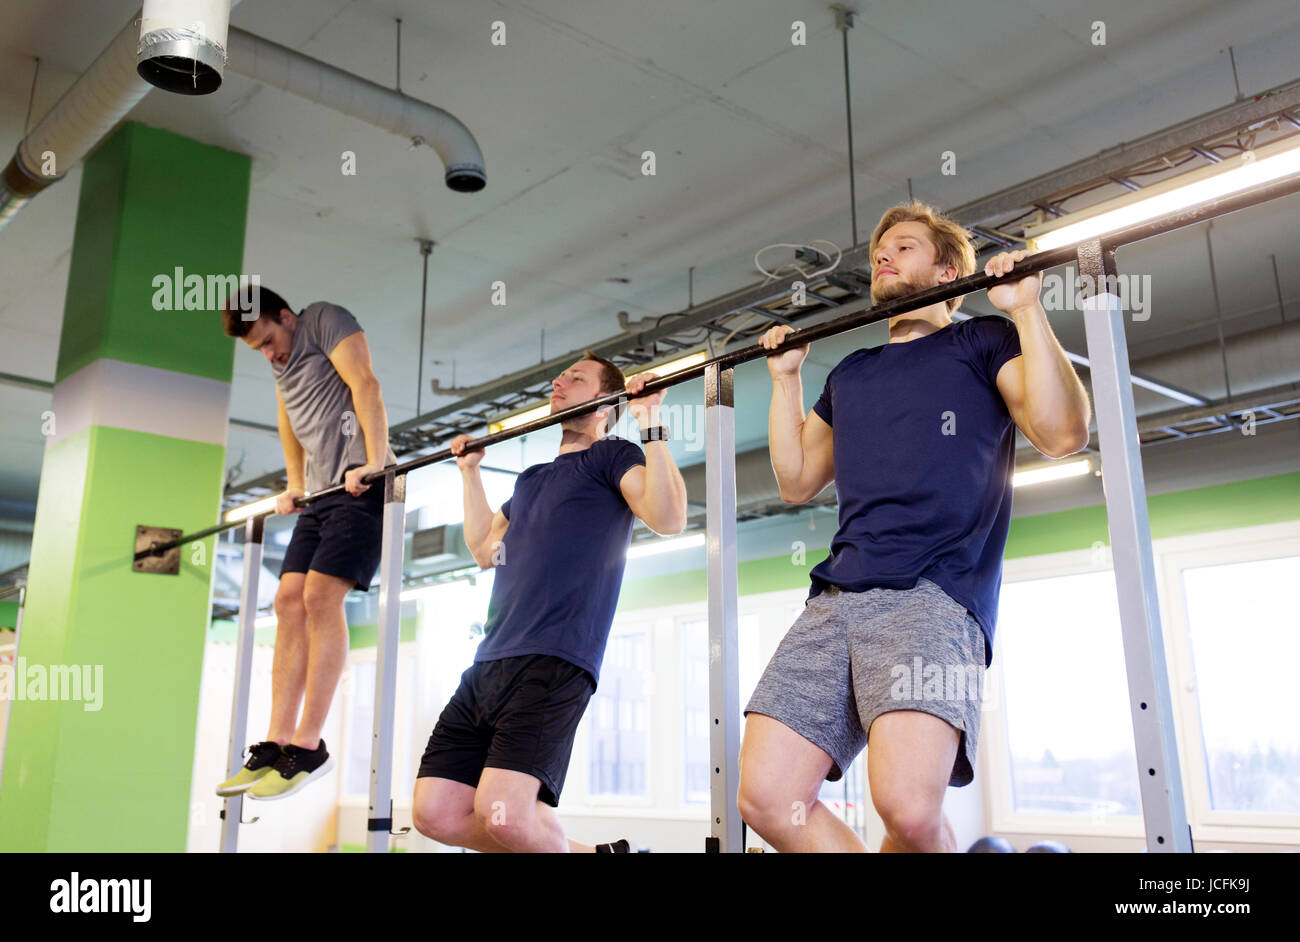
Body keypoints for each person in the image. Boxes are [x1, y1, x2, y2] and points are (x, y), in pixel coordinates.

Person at [737, 202, 1092, 852]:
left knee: (906, 809)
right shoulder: (851, 372)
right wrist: (785, 380)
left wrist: (1024, 310)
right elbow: (796, 481)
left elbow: (1063, 432)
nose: (884, 256)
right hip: (834, 601)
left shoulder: (980, 341)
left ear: (948, 269)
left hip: (933, 593)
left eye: (903, 246)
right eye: (879, 251)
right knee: (765, 795)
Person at [412, 352, 688, 852]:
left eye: (576, 378)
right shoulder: (532, 478)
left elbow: (668, 517)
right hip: (487, 663)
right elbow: (483, 551)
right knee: (434, 813)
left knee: (506, 817)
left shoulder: (611, 457)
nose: (559, 383)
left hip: (554, 658)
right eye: (559, 377)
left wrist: (651, 419)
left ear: (605, 404)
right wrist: (470, 472)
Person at [217, 287, 396, 801]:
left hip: (362, 484)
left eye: (270, 340)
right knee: (287, 600)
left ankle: (308, 744)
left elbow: (366, 384)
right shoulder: (282, 359)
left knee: (320, 596)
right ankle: (277, 742)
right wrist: (294, 482)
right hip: (321, 493)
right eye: (259, 351)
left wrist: (377, 459)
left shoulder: (324, 320)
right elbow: (288, 419)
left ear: (286, 317)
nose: (269, 354)